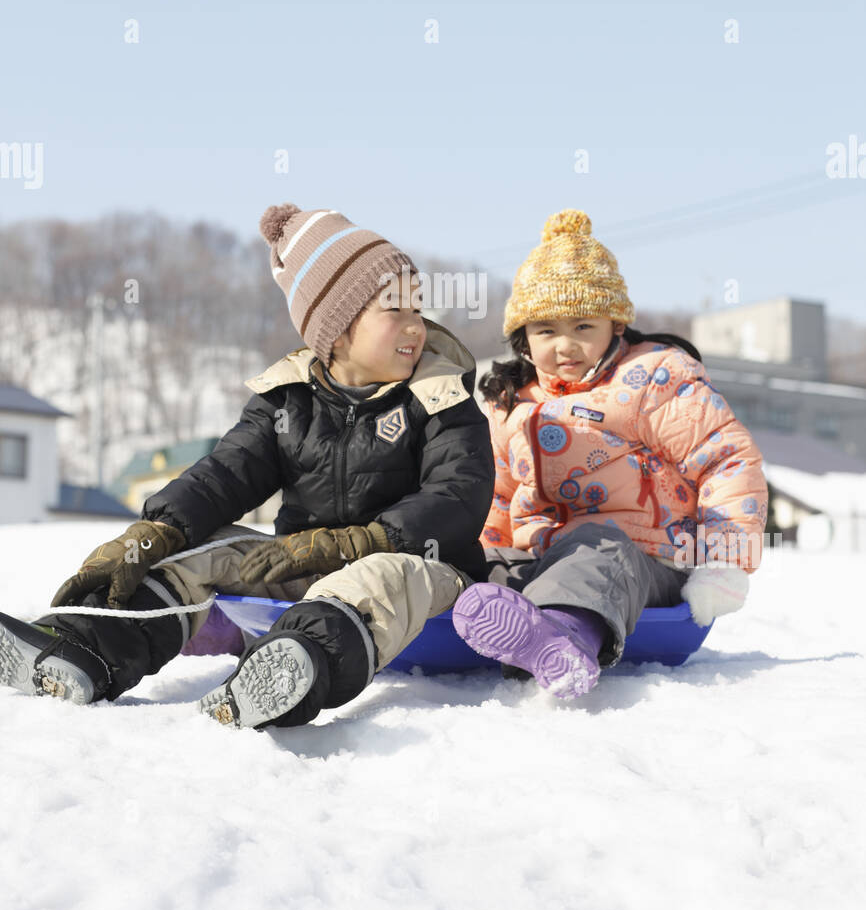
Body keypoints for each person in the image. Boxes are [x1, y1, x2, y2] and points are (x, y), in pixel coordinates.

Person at [0, 203, 495, 730]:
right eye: (396, 311)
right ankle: (84, 648)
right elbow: (228, 470)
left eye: (418, 308)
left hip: (427, 578)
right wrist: (159, 529)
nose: (416, 326)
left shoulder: (441, 397)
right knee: (202, 550)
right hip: (305, 567)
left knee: (383, 573)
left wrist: (362, 541)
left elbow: (458, 494)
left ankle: (296, 669)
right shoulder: (287, 400)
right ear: (337, 327)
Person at [451, 210, 768, 699]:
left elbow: (725, 459)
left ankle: (563, 638)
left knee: (598, 545)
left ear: (614, 324)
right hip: (543, 557)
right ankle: (480, 622)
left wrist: (723, 561)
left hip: (648, 559)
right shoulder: (510, 401)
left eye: (583, 325)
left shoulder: (652, 379)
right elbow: (496, 495)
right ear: (523, 337)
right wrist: (476, 554)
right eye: (546, 330)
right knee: (473, 564)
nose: (565, 345)